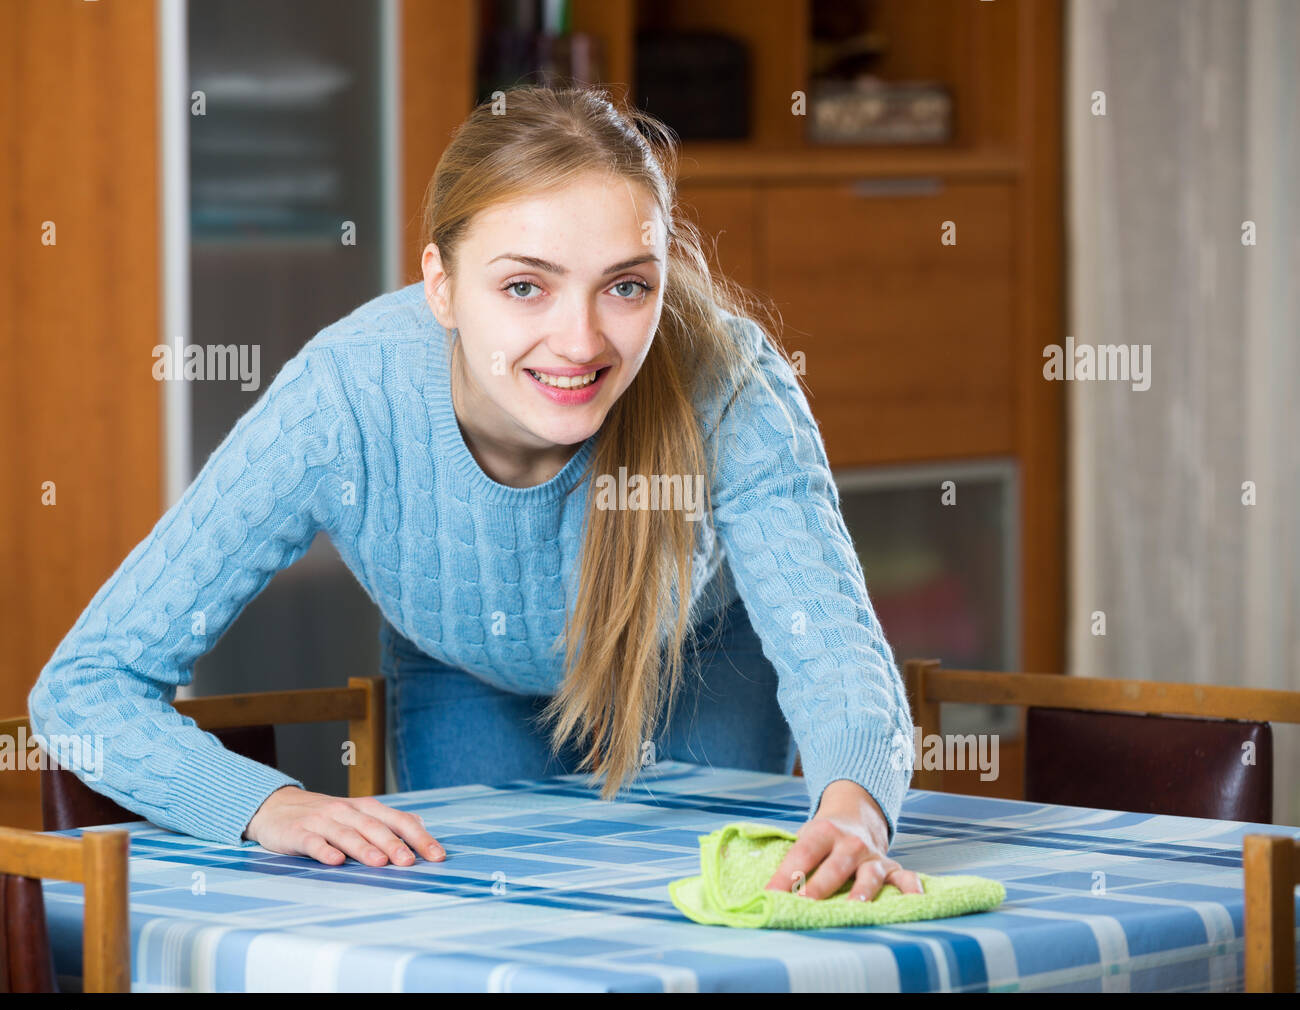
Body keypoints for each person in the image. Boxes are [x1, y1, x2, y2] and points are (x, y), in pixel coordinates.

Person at [28, 84, 920, 903]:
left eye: (625, 286)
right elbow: (84, 687)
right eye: (525, 285)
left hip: (695, 658)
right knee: (474, 922)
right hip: (464, 668)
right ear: (442, 287)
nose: (580, 341)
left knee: (713, 922)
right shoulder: (344, 399)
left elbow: (841, 660)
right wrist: (266, 804)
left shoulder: (726, 374)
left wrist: (852, 810)